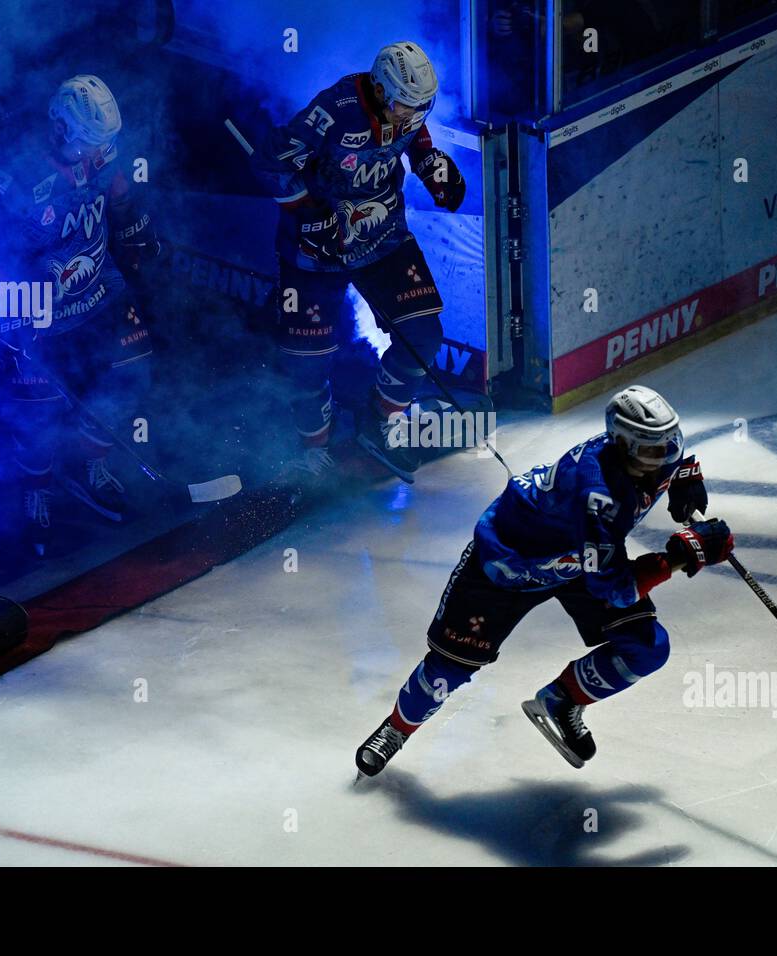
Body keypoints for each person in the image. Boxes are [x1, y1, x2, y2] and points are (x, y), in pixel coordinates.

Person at [355, 385, 735, 775]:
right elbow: (615, 589)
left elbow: (666, 460)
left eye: (673, 443)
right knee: (449, 667)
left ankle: (561, 700)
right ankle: (396, 730)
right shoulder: (599, 497)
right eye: (657, 450)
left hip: (578, 560)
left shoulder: (643, 458)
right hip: (508, 566)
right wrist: (682, 556)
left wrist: (685, 473)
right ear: (622, 445)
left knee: (646, 647)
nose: (668, 455)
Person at [252, 41, 467, 483]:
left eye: (422, 107)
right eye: (407, 107)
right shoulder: (335, 109)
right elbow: (269, 163)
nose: (413, 117)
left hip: (383, 237)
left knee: (423, 335)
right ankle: (311, 449)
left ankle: (380, 420)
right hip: (315, 251)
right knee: (305, 360)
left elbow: (416, 134)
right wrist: (310, 215)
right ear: (383, 92)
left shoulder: (410, 114)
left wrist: (430, 162)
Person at [0, 74, 162, 554]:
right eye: (93, 141)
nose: (101, 151)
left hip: (99, 290)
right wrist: (10, 321)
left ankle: (87, 465)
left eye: (107, 143)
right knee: (37, 407)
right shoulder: (15, 173)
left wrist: (135, 228)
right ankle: (36, 488)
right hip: (42, 310)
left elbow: (119, 194)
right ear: (61, 128)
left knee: (127, 376)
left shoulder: (98, 152)